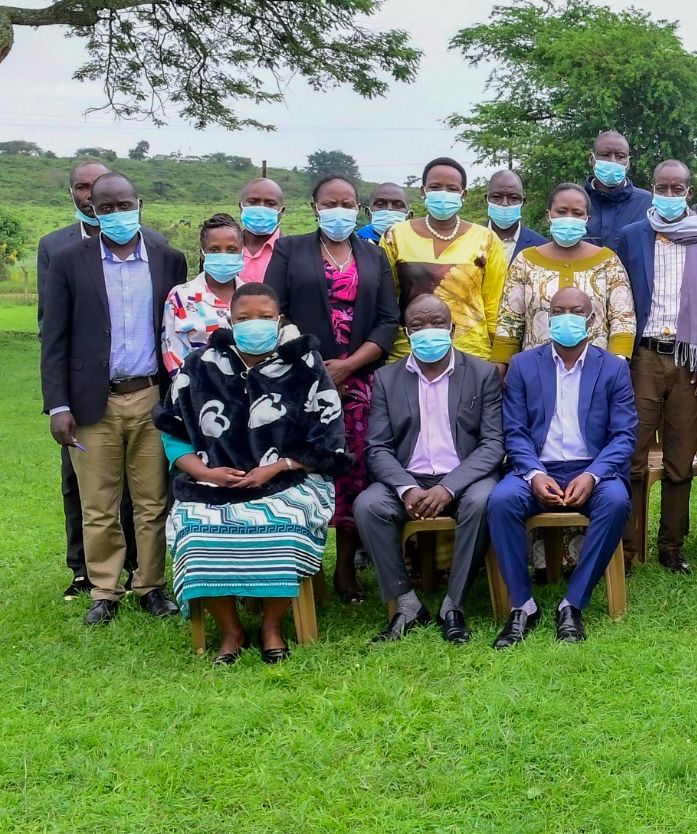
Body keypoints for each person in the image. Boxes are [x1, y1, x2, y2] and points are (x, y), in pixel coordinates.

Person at [153, 283, 349, 665]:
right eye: (244, 318)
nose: (254, 324)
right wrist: (206, 473)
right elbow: (173, 434)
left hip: (290, 479)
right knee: (195, 530)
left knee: (284, 525)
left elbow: (328, 439)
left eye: (264, 317)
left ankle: (272, 626)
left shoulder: (305, 365)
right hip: (210, 485)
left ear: (279, 321)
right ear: (229, 319)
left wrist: (276, 467)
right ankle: (231, 629)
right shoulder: (199, 365)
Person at [40, 172, 188, 625]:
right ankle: (105, 590)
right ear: (92, 210)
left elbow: (175, 330)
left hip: (149, 397)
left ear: (138, 204)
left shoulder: (168, 258)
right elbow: (54, 338)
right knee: (98, 503)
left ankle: (151, 585)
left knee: (152, 501)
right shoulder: (69, 261)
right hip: (90, 403)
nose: (117, 214)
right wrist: (58, 405)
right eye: (107, 208)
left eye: (125, 205)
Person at [265, 174, 402, 602]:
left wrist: (349, 366)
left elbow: (387, 319)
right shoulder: (290, 249)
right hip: (302, 381)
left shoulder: (374, 255)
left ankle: (345, 569)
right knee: (303, 470)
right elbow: (274, 311)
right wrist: (319, 370)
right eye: (330, 202)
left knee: (353, 474)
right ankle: (302, 570)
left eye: (347, 202)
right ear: (315, 206)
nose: (338, 209)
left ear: (358, 207)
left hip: (361, 383)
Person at [488, 288, 636, 647]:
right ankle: (522, 606)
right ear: (547, 317)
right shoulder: (524, 364)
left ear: (592, 319)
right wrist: (534, 473)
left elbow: (624, 435)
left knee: (615, 502)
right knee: (500, 501)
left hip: (592, 468)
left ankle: (572, 604)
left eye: (576, 310)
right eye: (558, 310)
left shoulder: (613, 367)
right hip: (538, 467)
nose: (566, 316)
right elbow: (515, 430)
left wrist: (593, 474)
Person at [359, 296, 505, 645]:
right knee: (368, 506)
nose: (429, 331)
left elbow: (493, 444)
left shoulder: (482, 373)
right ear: (407, 333)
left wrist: (449, 487)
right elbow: (377, 446)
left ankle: (453, 605)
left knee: (485, 500)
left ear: (452, 329)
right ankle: (407, 605)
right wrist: (406, 488)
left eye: (436, 323)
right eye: (419, 325)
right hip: (410, 480)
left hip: (465, 480)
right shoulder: (386, 378)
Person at [615, 161, 697, 572]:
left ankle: (671, 547)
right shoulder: (632, 237)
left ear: (688, 190)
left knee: (681, 459)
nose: (669, 193)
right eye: (662, 186)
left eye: (676, 187)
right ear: (653, 188)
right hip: (643, 356)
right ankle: (627, 550)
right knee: (631, 455)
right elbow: (620, 296)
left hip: (690, 360)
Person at [380, 156, 508, 361]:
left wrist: (500, 359)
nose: (443, 194)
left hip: (471, 354)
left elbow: (495, 305)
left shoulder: (486, 239)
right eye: (435, 187)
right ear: (423, 191)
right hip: (408, 353)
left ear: (463, 194)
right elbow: (386, 302)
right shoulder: (395, 236)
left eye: (452, 189)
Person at [491, 183, 635, 363]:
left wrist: (616, 365)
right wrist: (502, 367)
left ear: (587, 219)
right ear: (548, 215)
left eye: (577, 213)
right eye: (561, 211)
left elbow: (623, 318)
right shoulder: (525, 261)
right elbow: (509, 321)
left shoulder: (608, 261)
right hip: (536, 369)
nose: (569, 218)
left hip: (596, 370)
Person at [161, 213, 245, 371]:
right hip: (196, 390)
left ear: (242, 251)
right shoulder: (180, 297)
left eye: (232, 249)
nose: (223, 255)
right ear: (202, 253)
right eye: (214, 250)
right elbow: (172, 352)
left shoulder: (253, 296)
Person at [584, 130, 653, 249]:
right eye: (605, 155)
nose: (613, 161)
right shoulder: (574, 202)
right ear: (592, 159)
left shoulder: (648, 203)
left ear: (628, 163)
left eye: (620, 156)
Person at [483, 168, 549, 261]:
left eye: (513, 198)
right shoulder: (468, 240)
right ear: (486, 199)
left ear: (523, 201)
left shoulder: (541, 246)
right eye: (497, 197)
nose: (504, 203)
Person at [237, 176, 286, 284]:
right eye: (253, 202)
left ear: (281, 212)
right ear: (241, 207)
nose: (261, 208)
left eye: (270, 204)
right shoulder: (223, 249)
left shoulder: (292, 253)